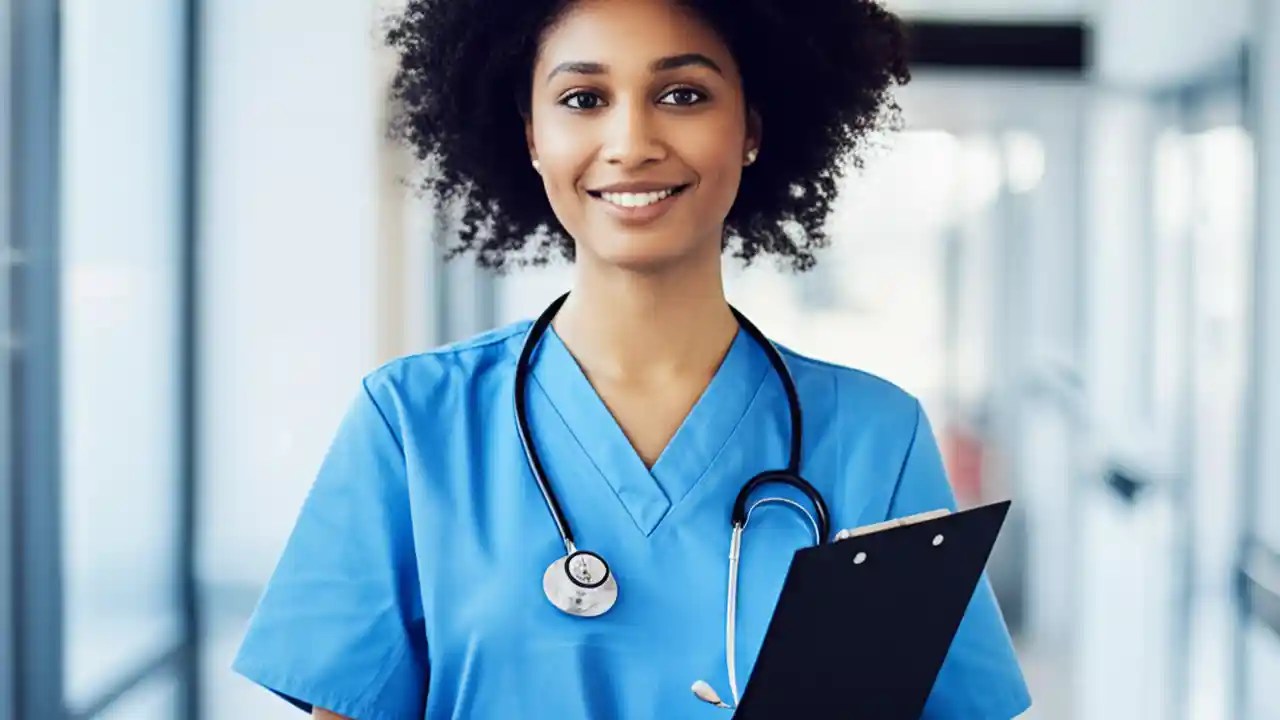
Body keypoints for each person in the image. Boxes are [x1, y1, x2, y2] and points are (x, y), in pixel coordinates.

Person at [231, 0, 1033, 717]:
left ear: (751, 126)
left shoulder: (874, 437)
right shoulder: (410, 422)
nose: (632, 142)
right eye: (583, 99)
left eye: (683, 94)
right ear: (532, 136)